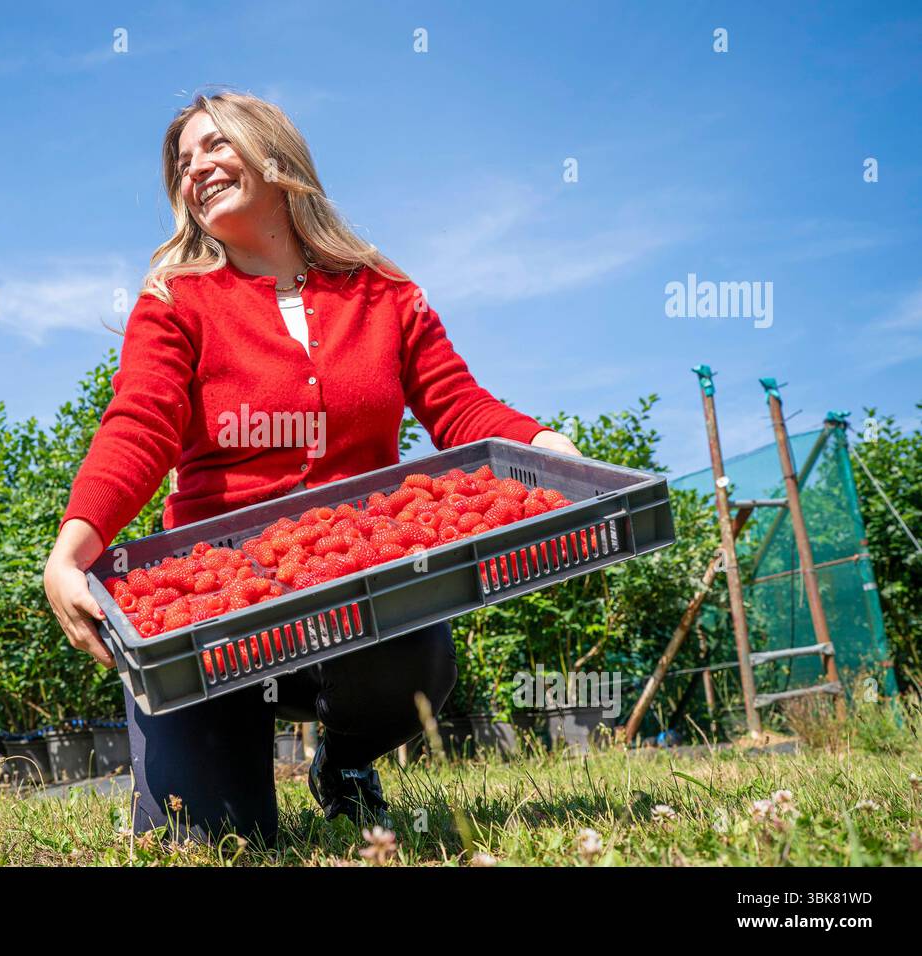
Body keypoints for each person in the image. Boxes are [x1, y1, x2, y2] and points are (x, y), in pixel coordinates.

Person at [43, 89, 581, 845]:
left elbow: (459, 406)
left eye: (214, 146)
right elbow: (140, 423)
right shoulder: (176, 302)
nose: (195, 169)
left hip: (359, 594)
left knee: (414, 646)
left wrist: (545, 446)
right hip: (216, 607)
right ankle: (216, 745)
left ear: (273, 153)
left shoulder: (384, 293)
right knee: (210, 843)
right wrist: (75, 545)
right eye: (182, 162)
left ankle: (347, 758)